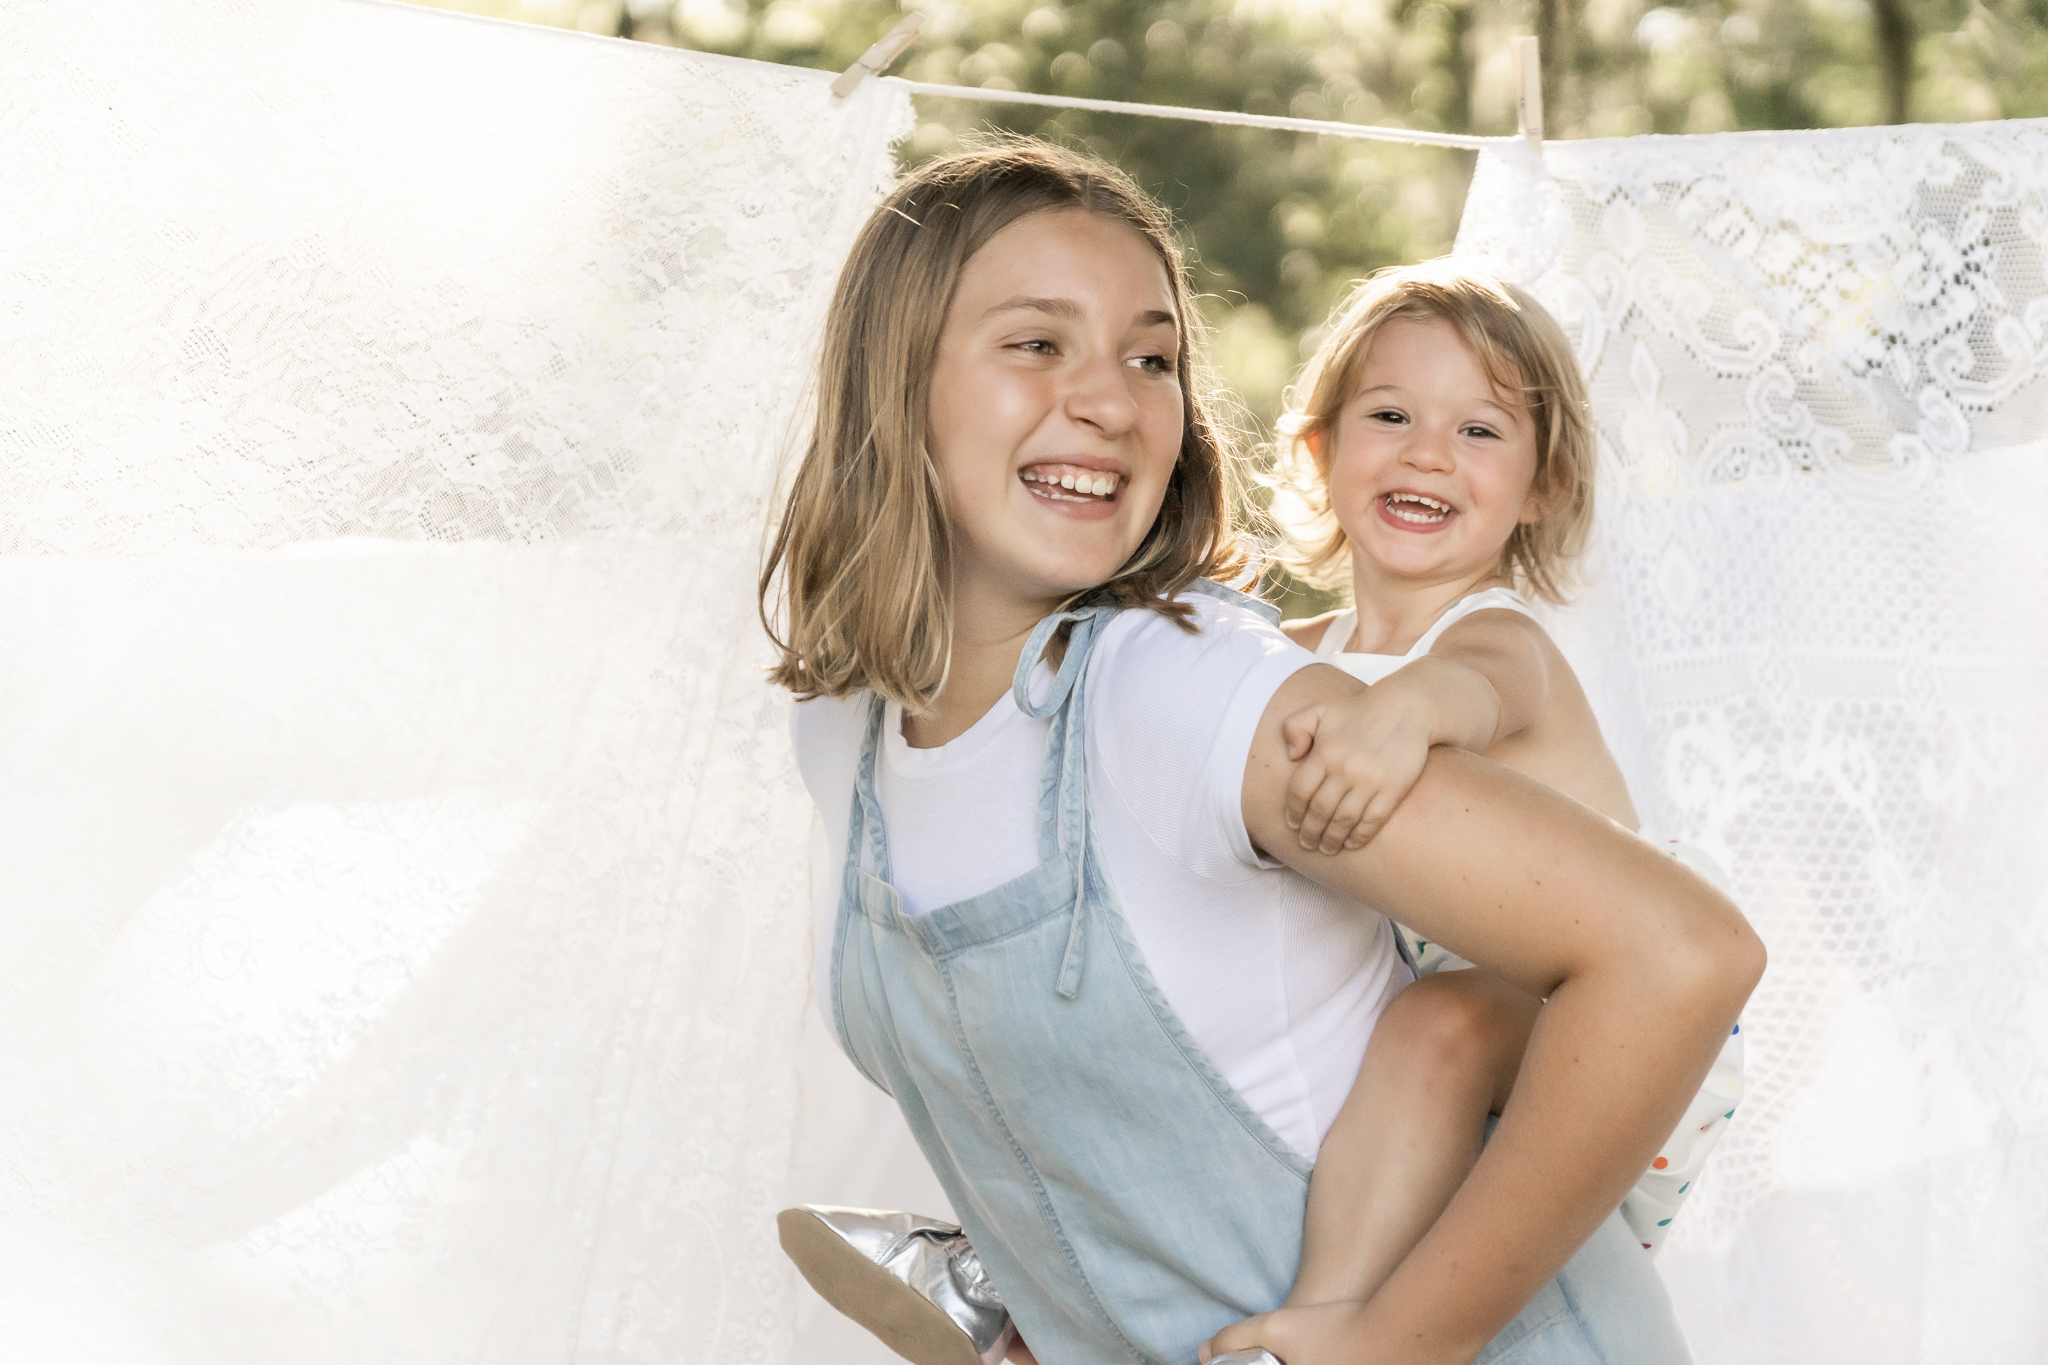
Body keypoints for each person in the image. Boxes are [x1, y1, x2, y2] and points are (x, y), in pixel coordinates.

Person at [762, 138, 1763, 1365]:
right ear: (890, 381)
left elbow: (1680, 955)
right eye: (1036, 342)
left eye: (1152, 357)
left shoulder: (1184, 690)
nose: (1114, 399)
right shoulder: (843, 736)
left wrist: (1396, 1341)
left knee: (1438, 1031)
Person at [1199, 264, 1747, 1365]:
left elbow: (1478, 689)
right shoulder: (1298, 652)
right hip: (1442, 1037)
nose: (1426, 453)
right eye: (1389, 416)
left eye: (1479, 432)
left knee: (1434, 1025)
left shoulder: (1494, 637)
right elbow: (1217, 696)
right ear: (1320, 452)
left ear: (1540, 488)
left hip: (1596, 1035)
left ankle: (1327, 1325)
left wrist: (1408, 711)